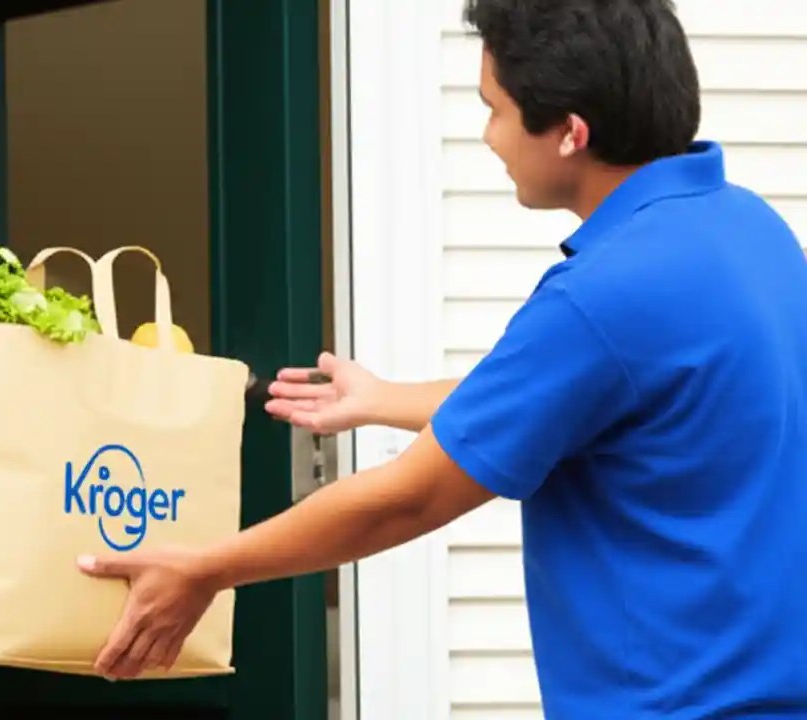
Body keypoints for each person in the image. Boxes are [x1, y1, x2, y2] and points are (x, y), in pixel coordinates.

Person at [77, 0, 807, 716]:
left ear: (569, 133)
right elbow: (598, 393)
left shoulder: (602, 296)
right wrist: (385, 399)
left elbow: (410, 498)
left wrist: (206, 568)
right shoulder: (750, 229)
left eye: (495, 109)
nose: (488, 136)